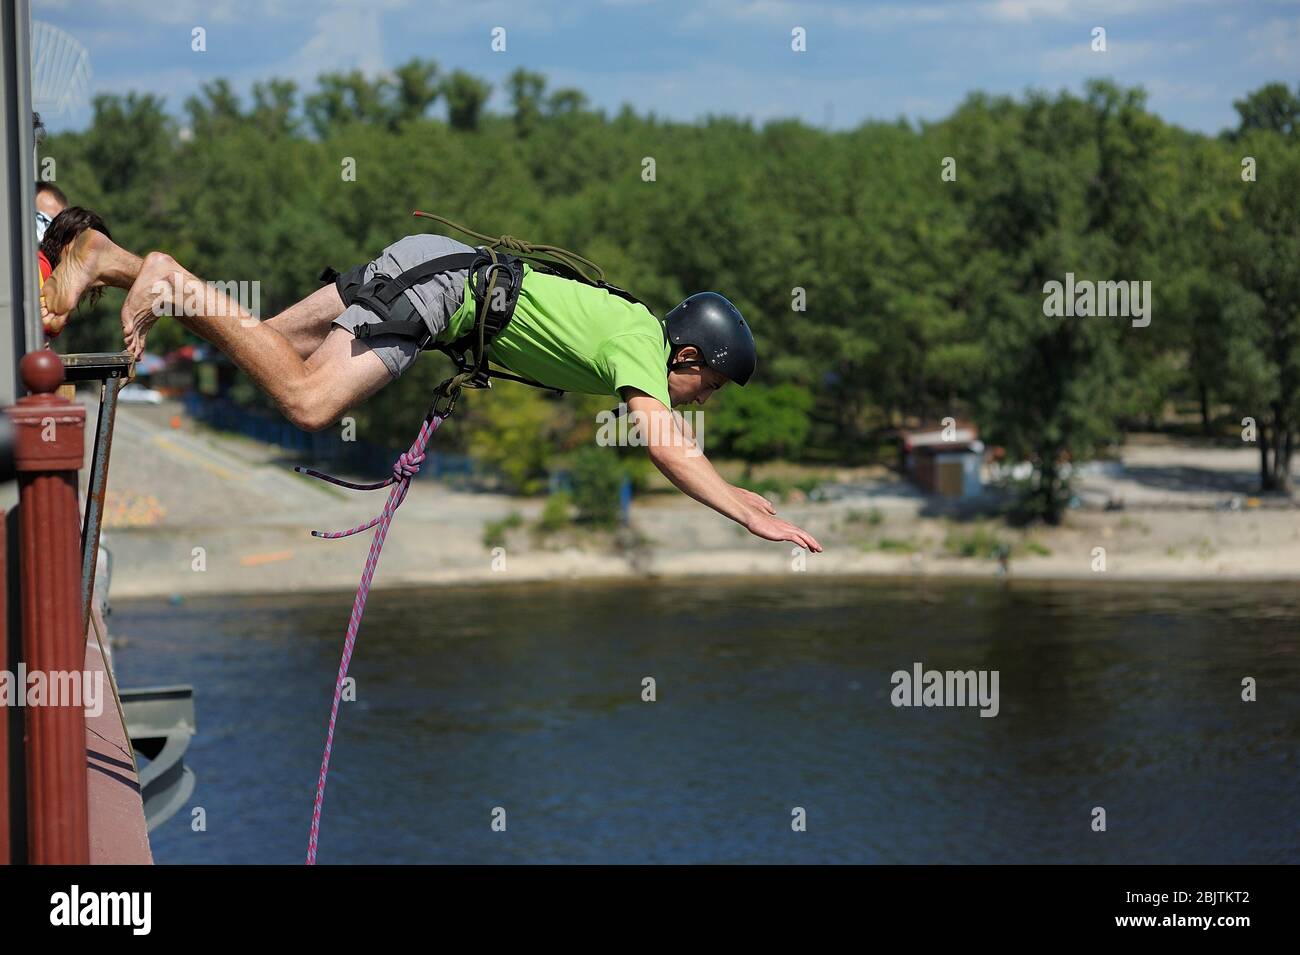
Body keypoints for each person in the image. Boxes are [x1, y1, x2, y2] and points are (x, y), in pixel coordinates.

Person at [40, 225, 822, 552]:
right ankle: (168, 277)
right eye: (709, 386)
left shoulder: (632, 331)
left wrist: (749, 499)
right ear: (687, 353)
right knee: (308, 401)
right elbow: (661, 441)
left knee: (262, 342)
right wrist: (743, 507)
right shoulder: (639, 345)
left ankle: (104, 259)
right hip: (441, 289)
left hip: (431, 266)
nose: (701, 402)